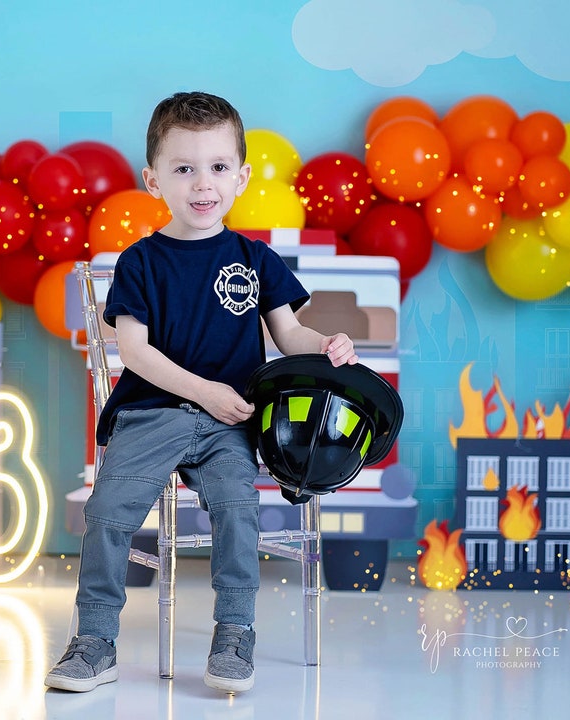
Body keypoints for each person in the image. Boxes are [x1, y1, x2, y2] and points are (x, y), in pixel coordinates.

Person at [45, 91, 358, 694]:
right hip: (151, 413)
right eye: (183, 168)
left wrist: (326, 346)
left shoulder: (254, 258)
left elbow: (288, 332)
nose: (202, 184)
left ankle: (235, 632)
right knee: (108, 513)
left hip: (232, 422)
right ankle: (94, 641)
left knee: (240, 510)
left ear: (241, 176)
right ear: (152, 178)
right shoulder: (141, 262)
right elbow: (133, 352)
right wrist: (204, 392)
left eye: (217, 167)